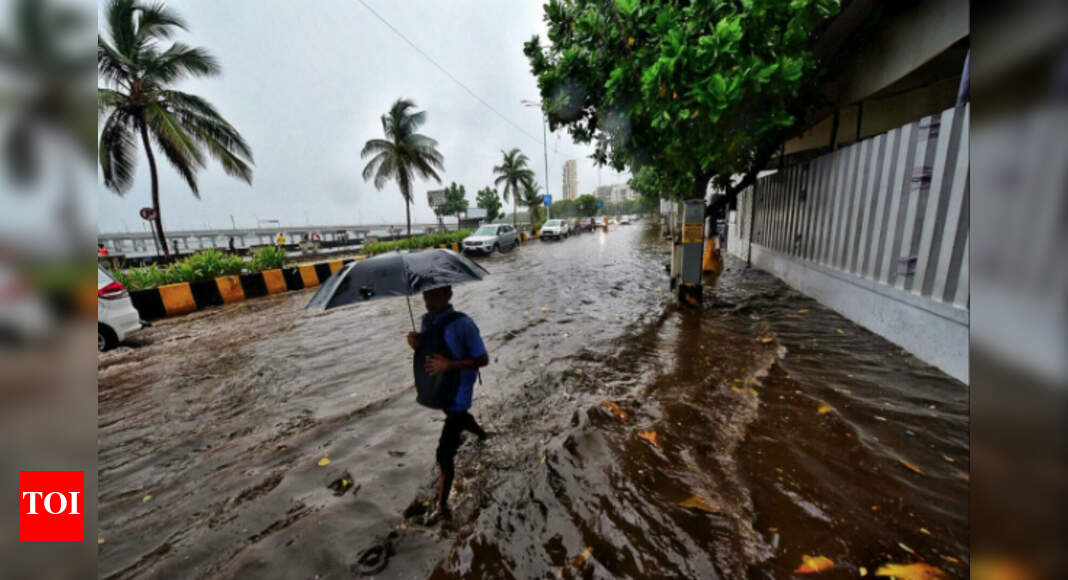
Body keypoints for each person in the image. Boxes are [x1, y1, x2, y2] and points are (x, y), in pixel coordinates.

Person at [406, 285, 489, 523]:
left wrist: (449, 366)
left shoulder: (463, 324)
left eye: (435, 294)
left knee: (444, 453)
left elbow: (483, 359)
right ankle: (483, 435)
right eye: (425, 294)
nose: (428, 299)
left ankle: (442, 507)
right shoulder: (426, 322)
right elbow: (432, 350)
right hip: (440, 387)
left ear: (448, 295)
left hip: (459, 388)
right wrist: (418, 344)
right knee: (459, 418)